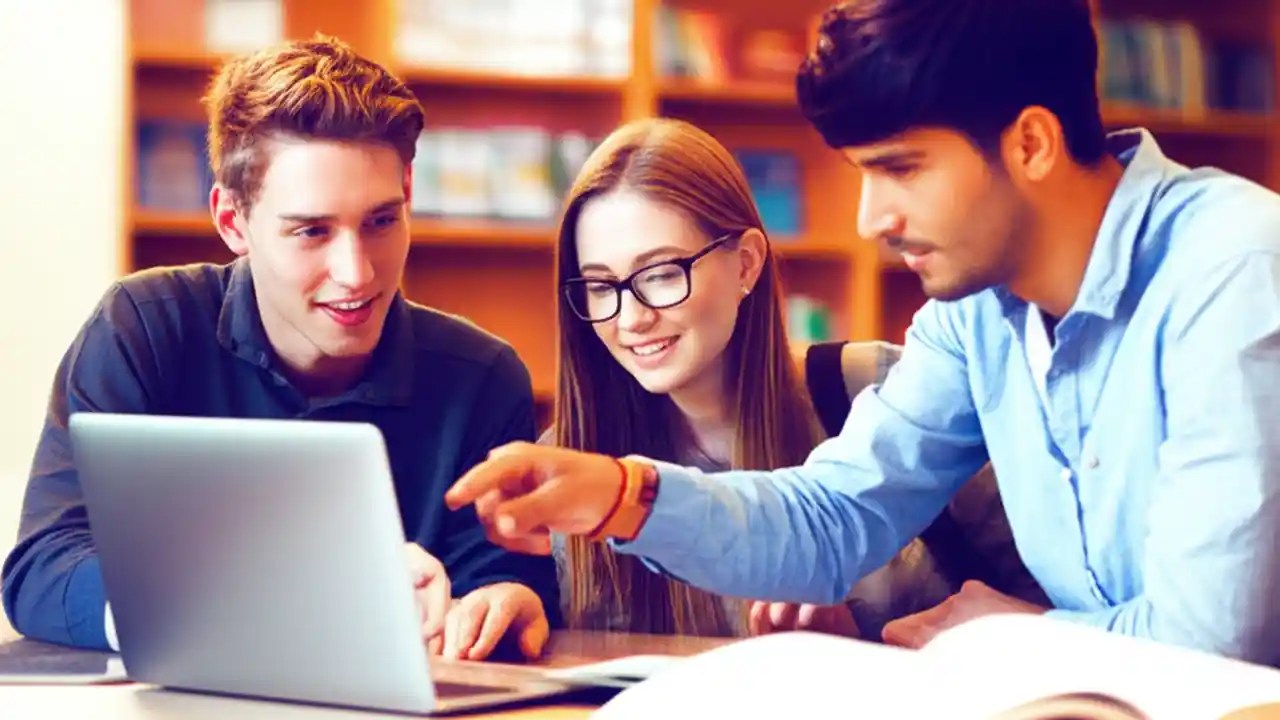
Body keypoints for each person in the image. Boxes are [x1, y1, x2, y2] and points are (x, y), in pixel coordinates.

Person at [446, 0, 1280, 665]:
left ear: (1030, 141)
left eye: (900, 168)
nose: (870, 217)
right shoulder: (974, 312)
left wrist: (1009, 639)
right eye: (860, 174)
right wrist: (622, 497)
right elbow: (833, 516)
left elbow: (1206, 642)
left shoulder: (1235, 266)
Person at [2, 34, 558, 661]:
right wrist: (260, 596)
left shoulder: (485, 377)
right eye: (311, 231)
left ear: (408, 191)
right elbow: (43, 570)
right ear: (232, 221)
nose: (357, 273)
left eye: (381, 221)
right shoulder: (143, 328)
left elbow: (500, 584)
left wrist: (504, 601)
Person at [520, 116, 1005, 645]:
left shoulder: (882, 390)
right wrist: (508, 597)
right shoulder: (574, 459)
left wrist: (861, 637)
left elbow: (1043, 600)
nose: (631, 318)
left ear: (746, 264)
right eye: (599, 285)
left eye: (660, 274)